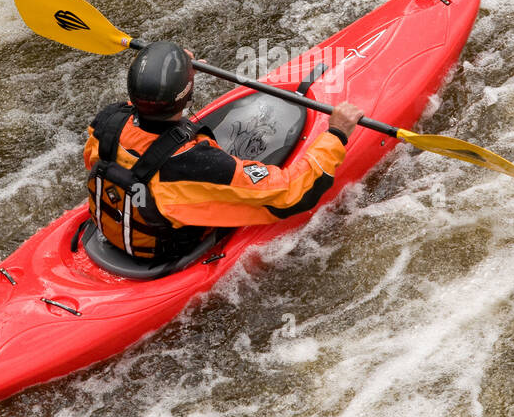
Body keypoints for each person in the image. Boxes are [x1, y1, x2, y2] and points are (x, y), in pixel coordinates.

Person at [83, 40, 363, 263]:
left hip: (113, 230)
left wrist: (181, 73)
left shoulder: (106, 122)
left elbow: (106, 150)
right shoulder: (197, 164)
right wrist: (336, 134)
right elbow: (292, 195)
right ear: (186, 95)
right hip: (164, 251)